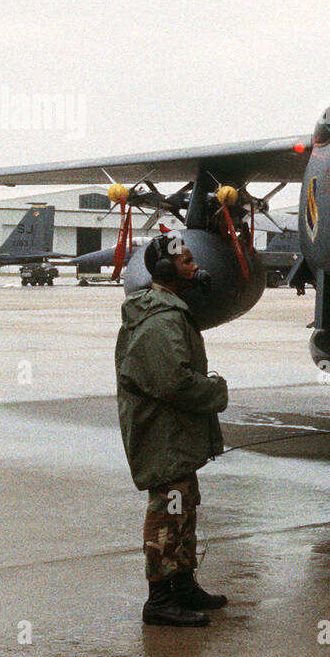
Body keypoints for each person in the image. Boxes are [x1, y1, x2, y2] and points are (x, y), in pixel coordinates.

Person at [115, 234, 229, 627]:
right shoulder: (160, 319)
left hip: (174, 434)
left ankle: (182, 582)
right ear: (165, 269)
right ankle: (159, 597)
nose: (195, 267)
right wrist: (216, 391)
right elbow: (173, 382)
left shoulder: (169, 311)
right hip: (163, 434)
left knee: (183, 505)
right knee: (168, 509)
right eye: (187, 261)